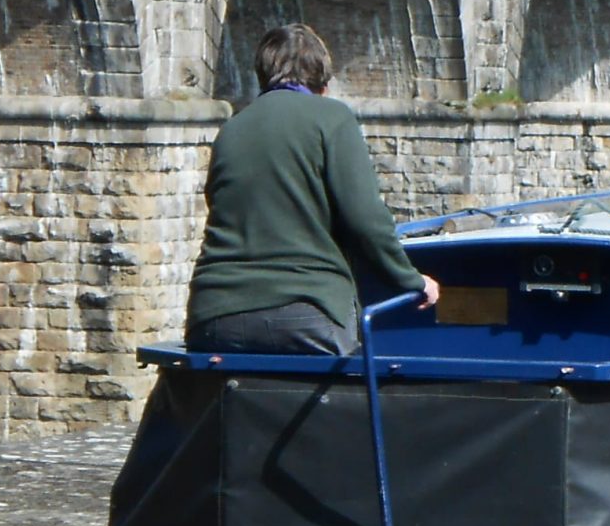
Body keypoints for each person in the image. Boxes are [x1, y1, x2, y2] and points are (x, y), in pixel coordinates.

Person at [183, 23, 438, 353]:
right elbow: (365, 219)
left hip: (212, 318)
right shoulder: (332, 117)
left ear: (263, 73)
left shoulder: (231, 129)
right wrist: (412, 281)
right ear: (322, 80)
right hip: (304, 311)